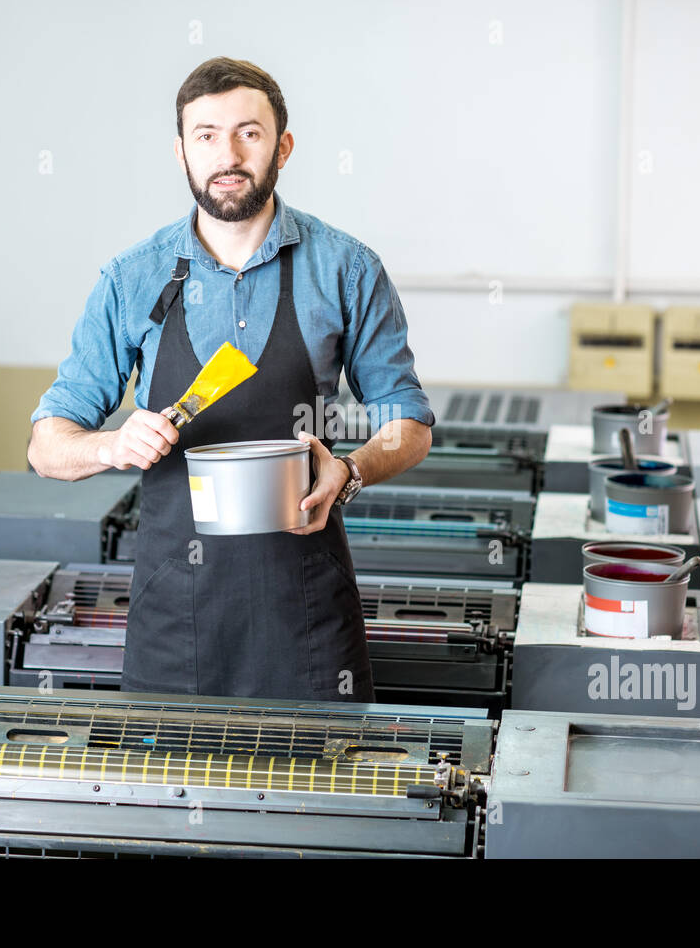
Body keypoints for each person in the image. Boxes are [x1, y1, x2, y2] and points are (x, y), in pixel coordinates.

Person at [28, 57, 433, 703]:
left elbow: (408, 424)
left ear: (283, 145)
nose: (228, 153)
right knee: (170, 798)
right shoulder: (131, 278)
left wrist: (350, 471)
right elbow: (46, 444)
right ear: (180, 151)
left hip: (307, 613)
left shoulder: (345, 269)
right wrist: (110, 445)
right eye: (207, 134)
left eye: (249, 132)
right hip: (175, 618)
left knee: (321, 801)